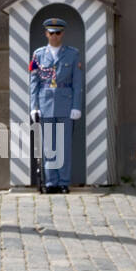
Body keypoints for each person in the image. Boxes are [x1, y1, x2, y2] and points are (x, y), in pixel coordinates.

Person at [29, 17, 83, 193]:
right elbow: (34, 82)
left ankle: (63, 182)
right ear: (46, 33)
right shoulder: (38, 54)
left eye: (57, 33)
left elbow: (77, 83)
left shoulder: (73, 54)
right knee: (49, 146)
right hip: (45, 104)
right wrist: (33, 106)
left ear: (63, 34)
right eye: (51, 33)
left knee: (64, 146)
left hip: (65, 104)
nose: (54, 36)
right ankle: (51, 182)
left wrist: (76, 106)